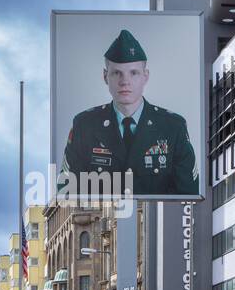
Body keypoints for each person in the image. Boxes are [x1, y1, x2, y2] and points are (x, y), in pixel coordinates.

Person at [58, 29, 199, 197]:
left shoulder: (172, 127)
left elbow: (188, 196)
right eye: (117, 73)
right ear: (105, 76)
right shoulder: (85, 125)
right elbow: (67, 193)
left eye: (133, 73)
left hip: (156, 223)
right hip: (101, 222)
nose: (125, 81)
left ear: (145, 76)